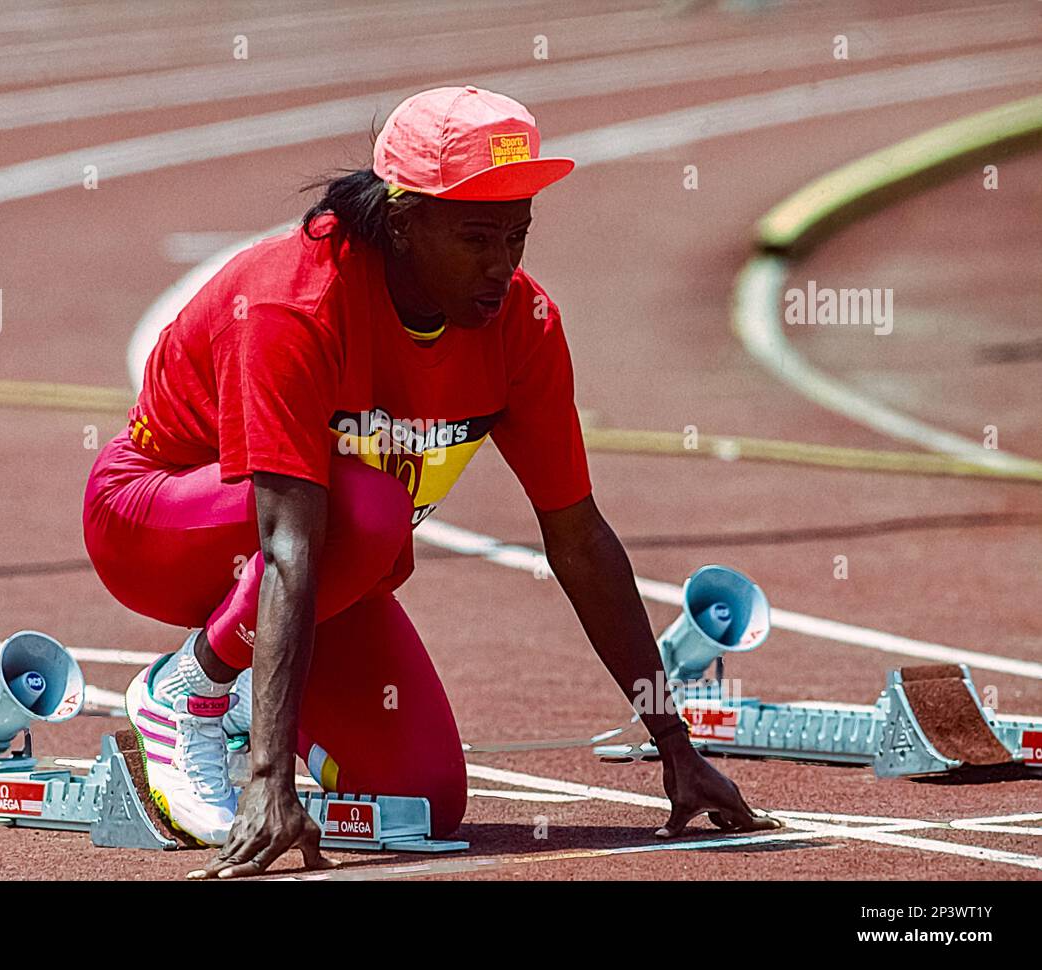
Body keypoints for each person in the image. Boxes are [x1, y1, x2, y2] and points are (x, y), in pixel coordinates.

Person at [82, 85, 781, 880]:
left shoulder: (523, 324)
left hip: (319, 564)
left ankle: (247, 702)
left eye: (516, 236)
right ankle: (188, 694)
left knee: (424, 801)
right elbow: (283, 544)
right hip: (154, 520)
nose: (501, 266)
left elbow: (579, 539)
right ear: (403, 221)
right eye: (477, 237)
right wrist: (272, 785)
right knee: (370, 507)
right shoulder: (292, 305)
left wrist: (674, 743)